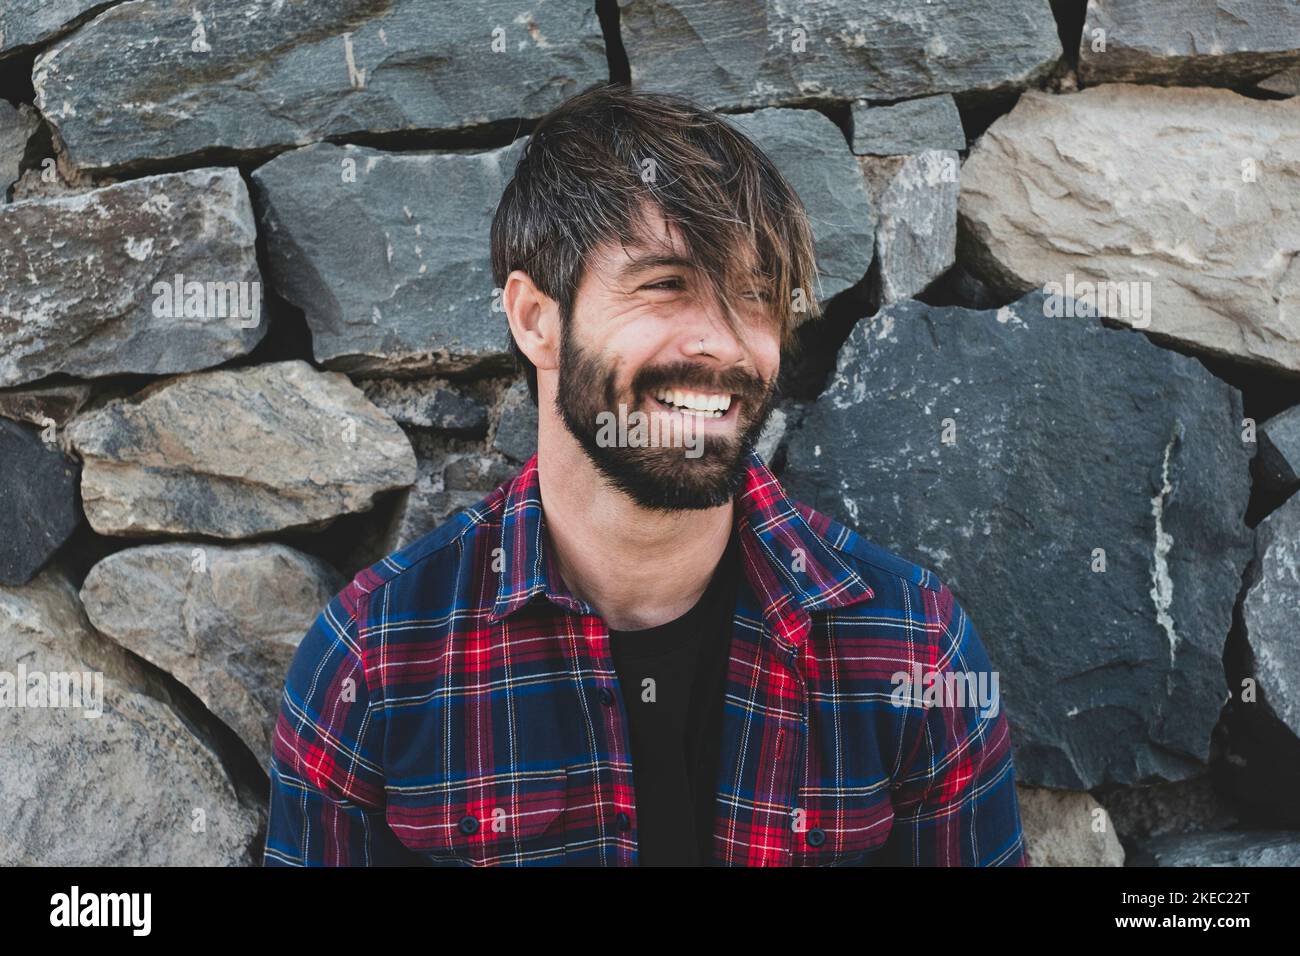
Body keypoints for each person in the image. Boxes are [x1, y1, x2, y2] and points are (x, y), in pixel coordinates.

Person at [264, 84, 1027, 867]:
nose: (722, 344)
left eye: (756, 296)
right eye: (666, 284)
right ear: (536, 320)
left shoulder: (910, 646)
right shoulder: (377, 657)